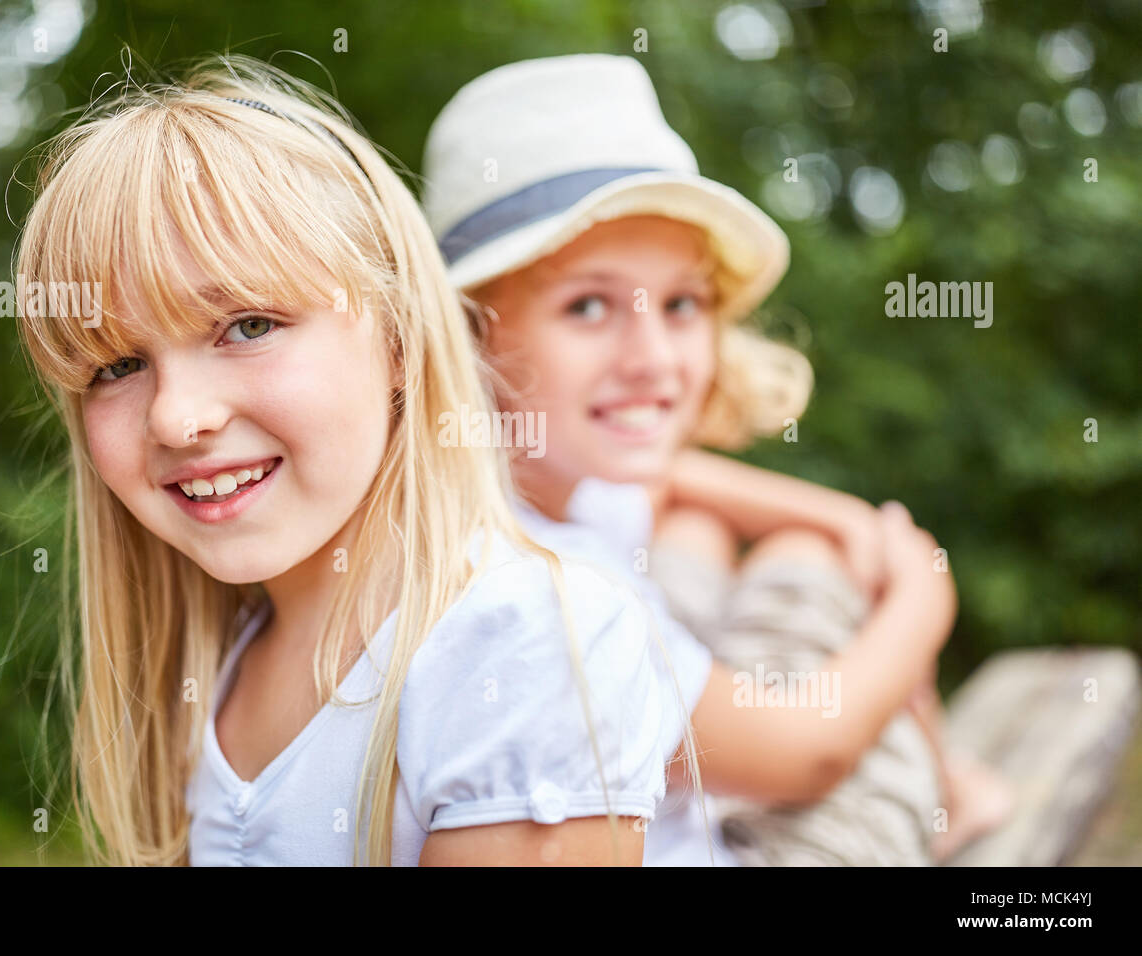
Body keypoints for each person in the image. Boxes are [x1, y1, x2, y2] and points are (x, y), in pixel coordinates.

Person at [11, 54, 704, 866]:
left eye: (248, 326)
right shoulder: (215, 663)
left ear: (401, 339)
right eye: (116, 367)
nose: (175, 416)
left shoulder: (520, 644)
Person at [422, 53, 1012, 864]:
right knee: (812, 565)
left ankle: (938, 784)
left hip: (699, 789)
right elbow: (815, 750)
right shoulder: (538, 596)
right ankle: (942, 800)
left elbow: (674, 481)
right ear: (467, 338)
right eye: (588, 305)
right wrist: (922, 587)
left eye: (682, 303)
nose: (655, 358)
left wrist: (837, 516)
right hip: (770, 814)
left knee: (714, 529)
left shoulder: (527, 484)